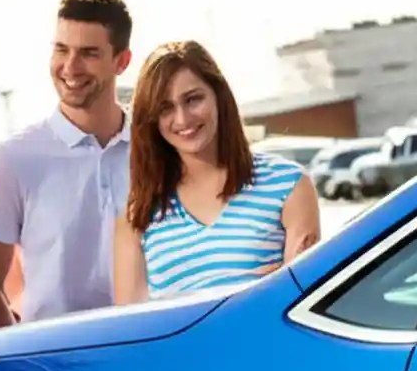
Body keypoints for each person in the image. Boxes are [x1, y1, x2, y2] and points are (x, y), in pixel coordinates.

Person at [0, 0, 134, 329]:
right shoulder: (13, 159)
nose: (69, 67)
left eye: (88, 53)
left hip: (152, 353)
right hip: (55, 364)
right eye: (61, 49)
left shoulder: (157, 147)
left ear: (122, 61)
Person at [113, 40, 321, 303]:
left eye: (193, 99)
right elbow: (133, 331)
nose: (183, 119)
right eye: (165, 108)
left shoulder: (289, 185)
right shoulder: (138, 216)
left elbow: (301, 300)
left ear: (218, 96)